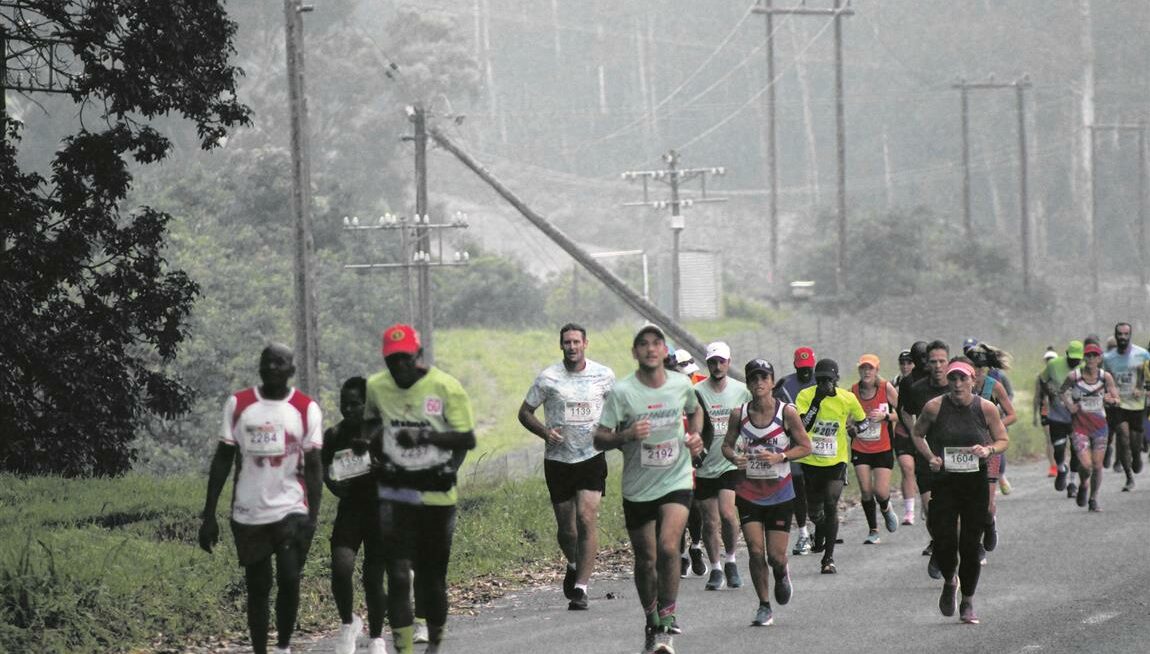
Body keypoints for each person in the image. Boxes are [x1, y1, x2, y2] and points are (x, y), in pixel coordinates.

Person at [199, 344, 323, 654]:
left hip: (291, 508)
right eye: (266, 362)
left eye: (279, 363)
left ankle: (282, 646)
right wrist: (209, 514)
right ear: (259, 366)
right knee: (258, 587)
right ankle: (260, 650)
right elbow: (223, 459)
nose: (272, 368)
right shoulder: (239, 404)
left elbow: (315, 467)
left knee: (290, 577)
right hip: (249, 511)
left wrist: (313, 518)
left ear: (291, 370)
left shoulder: (306, 408)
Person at [363, 324, 476, 654]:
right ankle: (406, 650)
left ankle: (433, 647)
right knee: (398, 575)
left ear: (419, 356)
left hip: (436, 495)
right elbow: (371, 422)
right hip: (395, 493)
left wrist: (427, 440)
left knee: (431, 580)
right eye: (392, 360)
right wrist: (370, 446)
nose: (400, 366)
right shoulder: (376, 387)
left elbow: (466, 438)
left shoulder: (446, 387)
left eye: (406, 359)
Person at [594, 324, 704, 654]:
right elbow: (599, 436)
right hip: (638, 486)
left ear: (664, 352)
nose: (650, 349)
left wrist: (695, 436)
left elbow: (695, 410)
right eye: (643, 344)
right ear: (635, 352)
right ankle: (651, 618)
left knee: (669, 547)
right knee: (646, 558)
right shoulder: (623, 392)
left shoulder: (680, 384)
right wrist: (625, 436)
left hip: (676, 479)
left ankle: (667, 620)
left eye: (657, 343)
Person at [518, 323, 616, 610]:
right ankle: (573, 563)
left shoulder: (604, 375)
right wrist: (544, 432)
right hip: (559, 459)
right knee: (566, 528)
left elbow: (619, 407)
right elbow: (524, 413)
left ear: (586, 343)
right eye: (567, 343)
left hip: (591, 456)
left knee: (587, 518)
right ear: (561, 345)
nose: (572, 347)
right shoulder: (548, 378)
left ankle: (582, 588)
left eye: (576, 342)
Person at [913, 357, 1008, 625]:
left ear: (972, 381)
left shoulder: (986, 408)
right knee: (943, 541)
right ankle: (949, 580)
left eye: (962, 378)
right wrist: (930, 457)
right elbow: (917, 433)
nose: (957, 384)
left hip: (974, 482)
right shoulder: (934, 407)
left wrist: (988, 450)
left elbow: (1003, 439)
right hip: (944, 482)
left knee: (969, 545)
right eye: (953, 378)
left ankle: (967, 601)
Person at [721, 359, 812, 627]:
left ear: (772, 382)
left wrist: (781, 456)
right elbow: (726, 445)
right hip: (749, 491)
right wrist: (734, 457)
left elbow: (805, 446)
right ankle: (764, 605)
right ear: (748, 384)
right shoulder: (739, 414)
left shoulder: (787, 413)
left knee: (775, 555)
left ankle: (782, 573)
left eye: (764, 377)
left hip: (781, 493)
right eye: (754, 378)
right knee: (754, 549)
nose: (759, 382)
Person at [323, 376, 388, 654]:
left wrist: (379, 468)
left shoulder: (385, 432)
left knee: (373, 577)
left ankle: (376, 637)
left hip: (380, 511)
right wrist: (336, 486)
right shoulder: (334, 435)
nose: (348, 410)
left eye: (355, 404)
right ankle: (348, 623)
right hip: (350, 511)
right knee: (341, 569)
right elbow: (327, 472)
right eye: (343, 404)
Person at [795, 358, 866, 574]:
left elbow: (864, 421)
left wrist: (856, 429)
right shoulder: (805, 396)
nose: (825, 384)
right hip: (810, 461)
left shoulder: (847, 398)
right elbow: (803, 425)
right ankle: (820, 530)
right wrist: (817, 400)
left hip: (836, 461)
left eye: (828, 379)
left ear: (836, 379)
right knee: (815, 511)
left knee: (830, 504)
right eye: (820, 380)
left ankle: (828, 558)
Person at [693, 341, 751, 590]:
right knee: (709, 521)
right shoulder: (696, 391)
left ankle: (731, 560)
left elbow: (752, 420)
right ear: (707, 364)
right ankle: (715, 568)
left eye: (722, 362)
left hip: (731, 462)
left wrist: (749, 447)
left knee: (727, 515)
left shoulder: (741, 391)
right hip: (705, 463)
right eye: (713, 362)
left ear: (729, 362)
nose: (717, 366)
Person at [900, 340, 951, 572]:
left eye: (942, 361)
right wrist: (915, 435)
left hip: (955, 455)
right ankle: (940, 546)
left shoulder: (958, 384)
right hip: (927, 455)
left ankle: (962, 545)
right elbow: (904, 410)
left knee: (956, 510)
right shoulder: (917, 388)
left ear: (949, 362)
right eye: (933, 362)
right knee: (931, 510)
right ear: (927, 364)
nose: (938, 366)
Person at [969, 347, 1017, 563]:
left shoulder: (993, 386)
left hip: (990, 449)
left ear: (987, 368)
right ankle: (976, 545)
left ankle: (989, 523)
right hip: (966, 451)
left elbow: (1012, 415)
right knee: (968, 501)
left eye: (980, 368)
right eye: (973, 367)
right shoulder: (959, 386)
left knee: (987, 505)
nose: (977, 372)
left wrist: (994, 426)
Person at [1061, 340, 1120, 511]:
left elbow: (1115, 397)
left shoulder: (1105, 377)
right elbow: (1062, 391)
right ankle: (1083, 484)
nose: (1091, 358)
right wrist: (1069, 405)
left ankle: (1093, 499)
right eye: (1088, 355)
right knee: (1086, 465)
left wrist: (1112, 400)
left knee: (1097, 465)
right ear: (1084, 358)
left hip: (1100, 426)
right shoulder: (1075, 376)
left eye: (1095, 355)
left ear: (1100, 358)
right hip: (1080, 426)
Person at [850, 354, 901, 544]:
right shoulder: (853, 391)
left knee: (880, 491)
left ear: (876, 370)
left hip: (882, 447)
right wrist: (851, 428)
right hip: (860, 447)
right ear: (859, 371)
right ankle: (873, 530)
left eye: (870, 368)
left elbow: (902, 413)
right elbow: (846, 417)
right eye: (863, 368)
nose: (866, 372)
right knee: (865, 490)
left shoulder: (885, 388)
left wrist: (885, 416)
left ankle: (886, 508)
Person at [774, 346, 817, 556]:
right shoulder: (785, 385)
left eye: (808, 367)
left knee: (817, 489)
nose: (805, 372)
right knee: (798, 487)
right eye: (802, 368)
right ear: (795, 366)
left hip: (820, 445)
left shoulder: (823, 380)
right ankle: (802, 532)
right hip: (795, 444)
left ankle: (820, 526)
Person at [1102, 322, 1150, 491]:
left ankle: (1136, 458)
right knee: (1122, 438)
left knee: (1135, 445)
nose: (1122, 337)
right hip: (1118, 404)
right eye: (1119, 334)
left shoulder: (1142, 354)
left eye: (1125, 334)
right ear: (1115, 336)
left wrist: (1141, 387)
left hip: (1137, 405)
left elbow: (1148, 375)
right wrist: (1107, 394)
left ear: (1130, 335)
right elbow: (1104, 379)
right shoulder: (1108, 358)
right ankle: (1129, 477)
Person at [1041, 341, 1084, 498]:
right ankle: (1060, 469)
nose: (1075, 362)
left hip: (1077, 417)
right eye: (1072, 358)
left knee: (1076, 451)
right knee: (1059, 449)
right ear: (1066, 354)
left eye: (1078, 359)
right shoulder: (1053, 365)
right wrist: (1050, 393)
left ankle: (1072, 483)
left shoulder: (1085, 368)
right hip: (1057, 415)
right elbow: (1042, 380)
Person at [891, 349, 920, 525]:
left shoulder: (924, 381)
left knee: (922, 473)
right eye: (902, 363)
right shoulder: (893, 384)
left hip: (923, 433)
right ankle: (909, 512)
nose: (905, 366)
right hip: (902, 433)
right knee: (907, 468)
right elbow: (889, 412)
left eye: (909, 362)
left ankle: (927, 504)